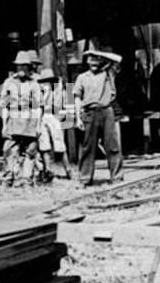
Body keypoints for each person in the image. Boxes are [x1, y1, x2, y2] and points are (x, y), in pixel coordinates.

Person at [73, 49, 124, 186]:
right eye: (91, 60)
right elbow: (77, 98)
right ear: (87, 62)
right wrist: (78, 118)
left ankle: (117, 177)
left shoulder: (108, 73)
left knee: (112, 145)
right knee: (87, 147)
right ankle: (85, 179)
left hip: (106, 111)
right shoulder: (81, 77)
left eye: (97, 60)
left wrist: (98, 53)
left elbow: (118, 58)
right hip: (89, 112)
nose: (94, 63)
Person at [0, 50, 44, 186]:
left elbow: (38, 106)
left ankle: (27, 179)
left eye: (25, 66)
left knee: (30, 151)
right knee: (9, 150)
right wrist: (4, 125)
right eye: (19, 66)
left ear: (30, 67)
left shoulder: (34, 83)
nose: (22, 69)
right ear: (16, 67)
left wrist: (39, 125)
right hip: (13, 120)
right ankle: (8, 177)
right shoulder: (8, 82)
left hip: (30, 121)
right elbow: (3, 105)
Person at [36, 67, 72, 181]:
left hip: (55, 116)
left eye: (48, 80)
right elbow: (39, 106)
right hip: (43, 117)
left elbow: (66, 104)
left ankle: (68, 170)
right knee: (44, 144)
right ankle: (48, 170)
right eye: (43, 81)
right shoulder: (40, 90)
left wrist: (64, 118)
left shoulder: (60, 89)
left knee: (59, 144)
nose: (45, 83)